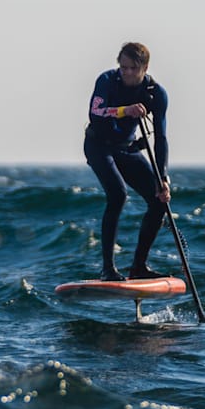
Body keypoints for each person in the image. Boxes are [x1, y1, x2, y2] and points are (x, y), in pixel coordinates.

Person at [83, 42, 172, 282]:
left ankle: (139, 267)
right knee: (118, 195)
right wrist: (125, 110)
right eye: (123, 67)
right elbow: (95, 112)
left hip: (127, 150)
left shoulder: (156, 93)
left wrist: (162, 178)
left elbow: (161, 138)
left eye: (133, 68)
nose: (127, 72)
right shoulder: (107, 80)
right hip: (98, 147)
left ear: (145, 67)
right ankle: (108, 270)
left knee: (158, 200)